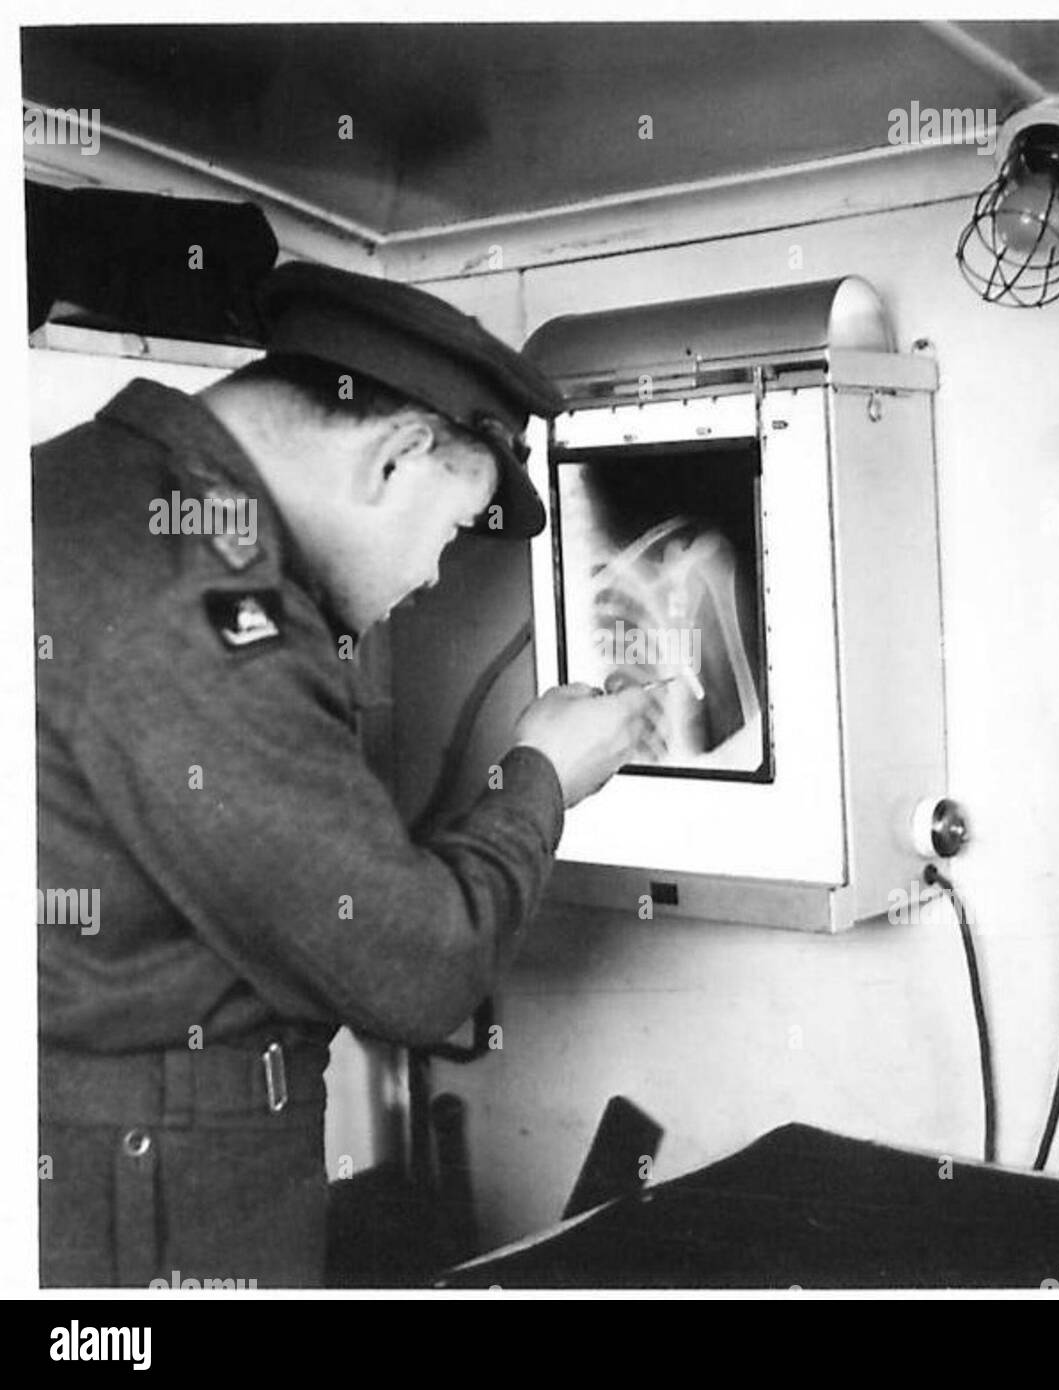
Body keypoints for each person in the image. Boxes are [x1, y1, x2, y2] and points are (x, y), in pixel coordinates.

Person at [34, 261, 664, 1287]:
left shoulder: (71, 485)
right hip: (150, 1212)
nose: (426, 580)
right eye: (451, 534)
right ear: (396, 457)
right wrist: (541, 774)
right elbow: (418, 970)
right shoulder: (202, 601)